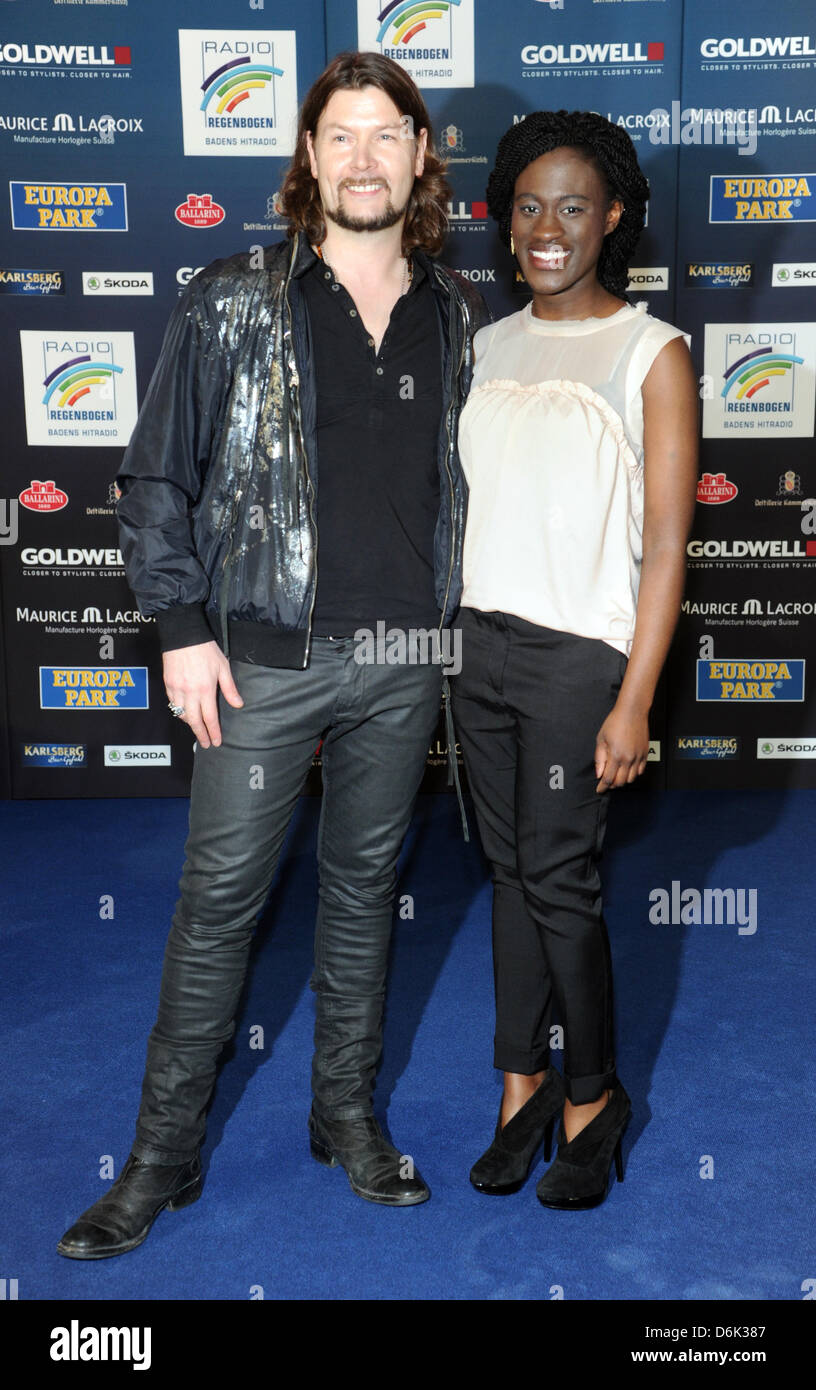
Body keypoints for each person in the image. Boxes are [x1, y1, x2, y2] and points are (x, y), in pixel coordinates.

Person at [57, 50, 489, 1259]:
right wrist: (182, 628)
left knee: (364, 898)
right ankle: (161, 1158)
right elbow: (154, 481)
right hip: (261, 663)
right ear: (310, 159)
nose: (362, 158)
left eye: (384, 134)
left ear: (418, 156)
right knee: (218, 910)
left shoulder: (460, 314)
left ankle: (344, 1117)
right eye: (339, 136)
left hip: (405, 661)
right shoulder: (231, 297)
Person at [451, 111, 698, 1208]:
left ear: (612, 221)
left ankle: (594, 1097)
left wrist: (635, 697)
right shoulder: (483, 346)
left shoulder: (653, 353)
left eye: (574, 207)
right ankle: (521, 1086)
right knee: (509, 875)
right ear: (506, 222)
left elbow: (666, 548)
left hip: (575, 659)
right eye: (529, 206)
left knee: (559, 878)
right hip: (477, 649)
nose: (550, 227)